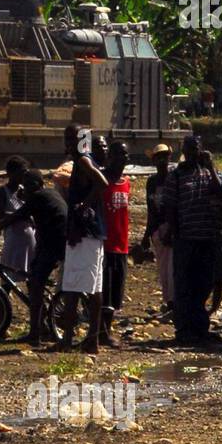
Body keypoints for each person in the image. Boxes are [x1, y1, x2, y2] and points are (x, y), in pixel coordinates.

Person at [160, 134, 222, 344]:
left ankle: (200, 327)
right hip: (186, 239)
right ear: (184, 152)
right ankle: (183, 330)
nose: (192, 154)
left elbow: (221, 192)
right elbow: (169, 207)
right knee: (183, 286)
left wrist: (212, 165)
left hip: (207, 238)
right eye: (189, 150)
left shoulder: (207, 172)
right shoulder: (176, 176)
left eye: (196, 149)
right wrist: (173, 232)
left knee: (204, 284)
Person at [0, 169, 67, 345]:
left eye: (28, 186)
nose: (25, 189)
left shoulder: (36, 197)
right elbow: (30, 209)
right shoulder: (49, 193)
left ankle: (35, 333)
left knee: (35, 284)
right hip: (63, 243)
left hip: (52, 245)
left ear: (36, 186)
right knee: (36, 277)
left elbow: (16, 216)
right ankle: (42, 325)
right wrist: (23, 198)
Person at [56, 124, 108, 353]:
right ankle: (92, 340)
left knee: (72, 288)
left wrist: (83, 206)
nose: (67, 142)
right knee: (94, 288)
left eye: (70, 138)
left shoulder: (83, 161)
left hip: (84, 233)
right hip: (93, 232)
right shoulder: (86, 160)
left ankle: (68, 340)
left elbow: (103, 183)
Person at [0, 156, 37, 275]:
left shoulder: (25, 191)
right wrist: (22, 215)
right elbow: (2, 216)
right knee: (8, 275)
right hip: (14, 239)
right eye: (21, 172)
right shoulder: (2, 191)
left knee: (30, 276)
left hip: (30, 237)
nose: (24, 176)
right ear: (10, 173)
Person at [99, 141, 132, 347]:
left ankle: (106, 331)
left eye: (125, 155)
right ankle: (103, 333)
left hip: (122, 244)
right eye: (119, 154)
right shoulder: (101, 180)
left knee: (116, 293)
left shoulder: (126, 182)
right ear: (110, 156)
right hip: (105, 244)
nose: (123, 158)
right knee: (105, 292)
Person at [142, 143, 174, 315]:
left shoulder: (173, 178)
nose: (162, 160)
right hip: (157, 229)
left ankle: (173, 302)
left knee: (172, 267)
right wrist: (146, 234)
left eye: (164, 156)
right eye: (158, 157)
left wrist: (172, 229)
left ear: (169, 158)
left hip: (172, 227)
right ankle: (168, 301)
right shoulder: (152, 182)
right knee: (163, 268)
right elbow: (150, 208)